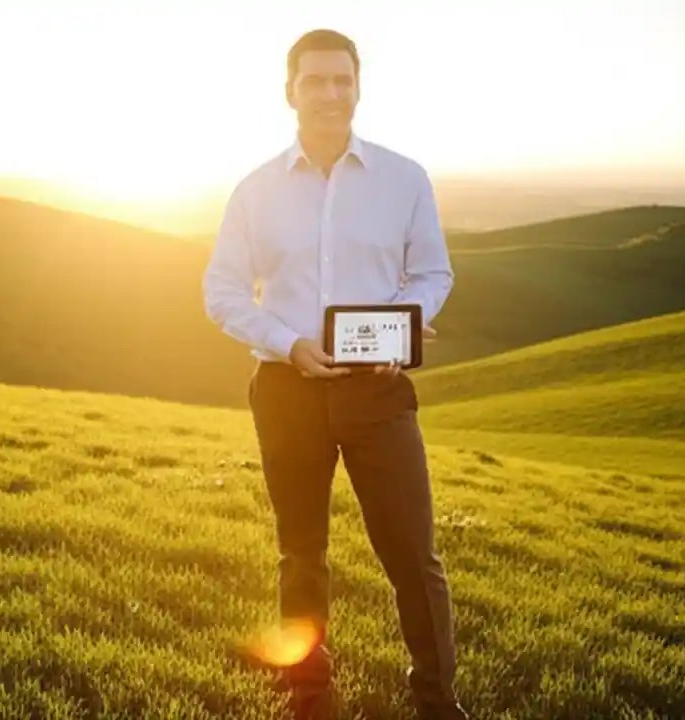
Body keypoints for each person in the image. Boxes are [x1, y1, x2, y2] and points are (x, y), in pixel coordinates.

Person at [202, 28, 469, 720]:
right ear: (289, 91)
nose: (329, 93)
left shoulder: (403, 178)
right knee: (302, 554)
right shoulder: (255, 190)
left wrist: (402, 324)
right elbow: (223, 291)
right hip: (286, 392)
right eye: (314, 81)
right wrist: (287, 343)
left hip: (379, 390)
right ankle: (311, 701)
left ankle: (439, 703)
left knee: (414, 556)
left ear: (358, 87)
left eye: (341, 80)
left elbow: (432, 271)